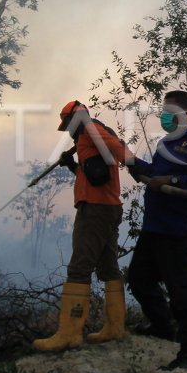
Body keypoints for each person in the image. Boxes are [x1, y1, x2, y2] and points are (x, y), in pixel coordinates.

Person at [126, 90, 187, 371]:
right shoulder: (166, 145)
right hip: (153, 227)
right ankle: (161, 327)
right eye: (164, 112)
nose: (165, 117)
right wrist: (129, 159)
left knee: (182, 291)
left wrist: (174, 178)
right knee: (140, 279)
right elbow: (153, 173)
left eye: (171, 112)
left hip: (178, 231)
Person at [33, 100, 132, 352]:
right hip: (108, 207)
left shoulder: (90, 129)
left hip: (95, 210)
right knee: (108, 267)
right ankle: (115, 327)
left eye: (67, 126)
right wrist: (73, 166)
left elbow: (116, 149)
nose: (67, 131)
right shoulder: (88, 137)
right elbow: (96, 175)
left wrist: (134, 162)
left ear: (73, 120)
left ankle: (69, 333)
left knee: (79, 267)